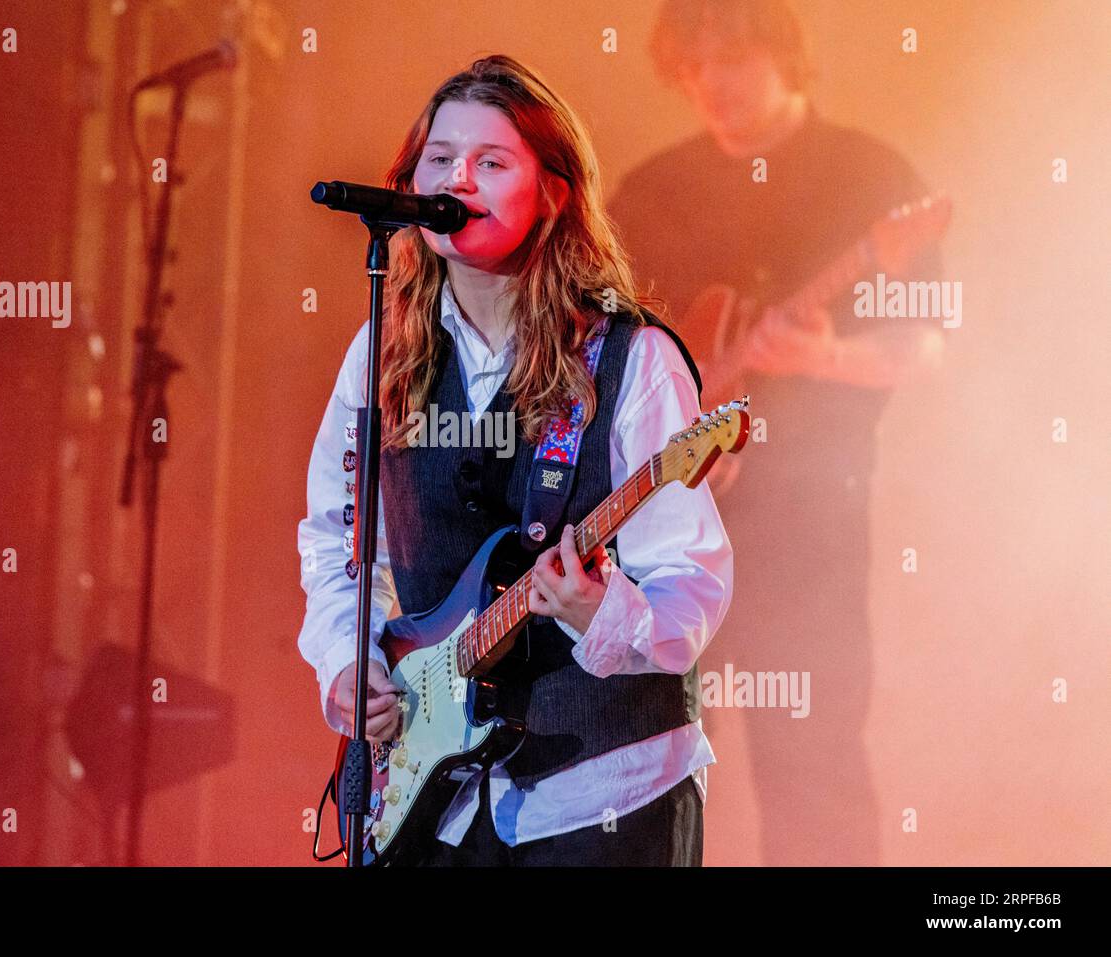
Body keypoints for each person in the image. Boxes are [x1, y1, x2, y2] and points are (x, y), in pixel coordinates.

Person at [297, 54, 733, 866]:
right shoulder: (381, 355)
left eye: (491, 162)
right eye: (440, 159)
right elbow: (339, 539)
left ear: (553, 193)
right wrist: (347, 662)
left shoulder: (632, 362)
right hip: (439, 801)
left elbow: (691, 585)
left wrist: (601, 614)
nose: (459, 178)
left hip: (603, 792)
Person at [607, 0, 946, 865]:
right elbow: (591, 357)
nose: (710, 86)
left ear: (783, 50)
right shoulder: (649, 193)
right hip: (663, 531)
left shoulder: (867, 176)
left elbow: (926, 348)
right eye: (691, 69)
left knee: (813, 768)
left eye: (729, 60)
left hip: (808, 531)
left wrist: (824, 356)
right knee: (647, 773)